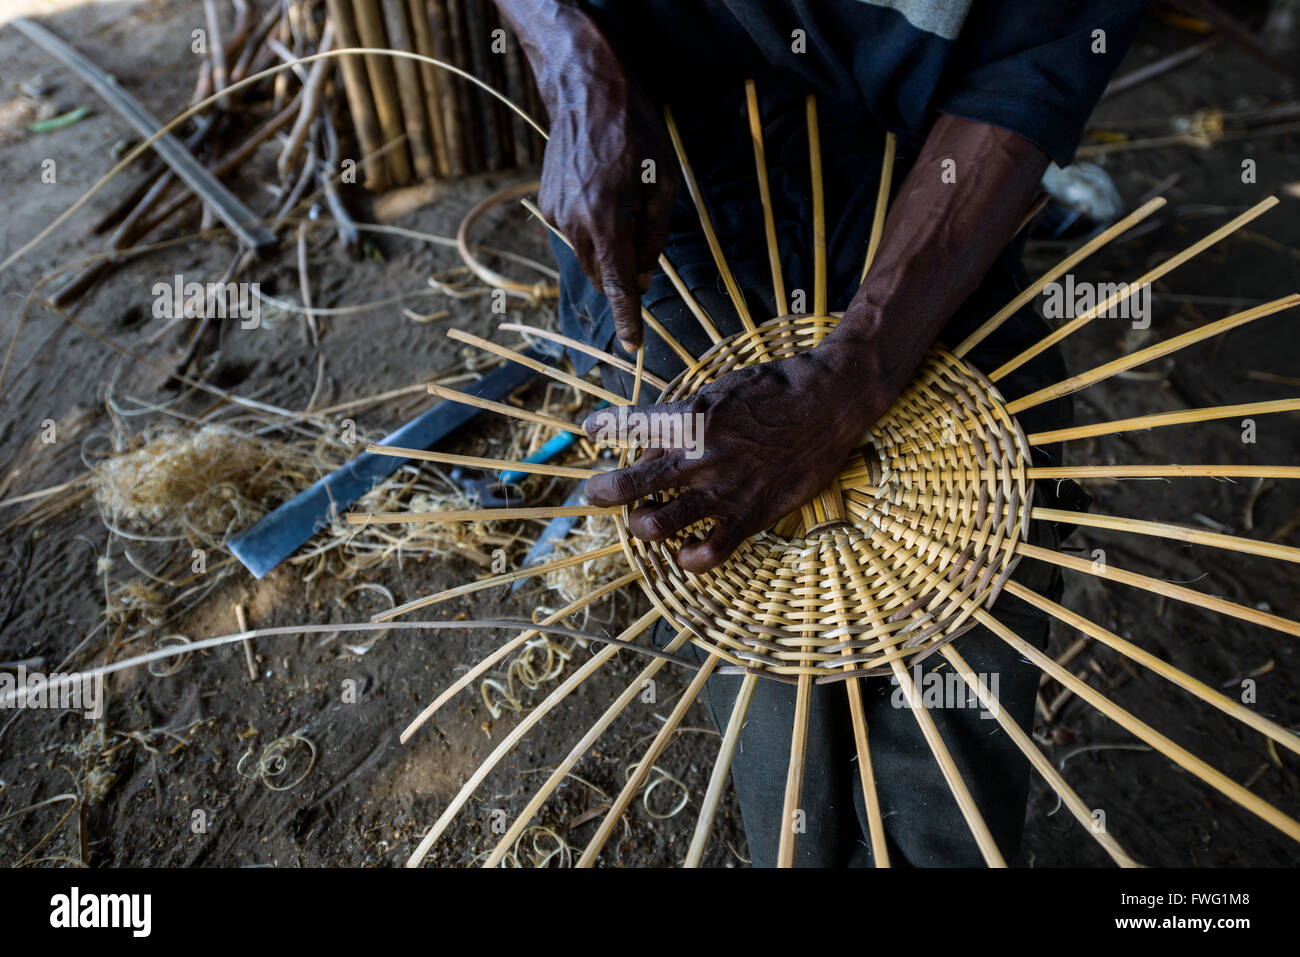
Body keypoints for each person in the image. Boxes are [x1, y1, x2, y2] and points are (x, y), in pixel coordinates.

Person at [490, 0, 1148, 865]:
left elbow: (1022, 84)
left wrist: (852, 378)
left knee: (976, 551)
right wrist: (574, 62)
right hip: (663, 143)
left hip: (937, 156)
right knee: (732, 558)